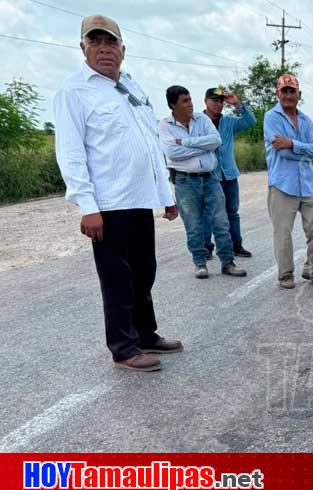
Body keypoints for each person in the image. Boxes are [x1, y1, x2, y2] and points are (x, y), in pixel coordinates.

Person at [53, 14, 182, 372]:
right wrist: (87, 205)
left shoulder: (131, 86)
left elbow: (150, 141)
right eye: (95, 42)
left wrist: (165, 193)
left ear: (123, 49)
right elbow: (71, 153)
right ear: (83, 48)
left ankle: (144, 333)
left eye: (110, 42)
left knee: (144, 272)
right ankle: (124, 348)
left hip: (140, 199)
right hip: (108, 204)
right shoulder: (73, 92)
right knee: (117, 279)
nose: (104, 49)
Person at [160, 86, 247, 280]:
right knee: (194, 224)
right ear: (173, 104)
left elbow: (215, 141)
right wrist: (202, 147)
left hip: (210, 178)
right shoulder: (165, 125)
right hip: (184, 181)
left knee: (221, 221)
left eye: (190, 99)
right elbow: (172, 153)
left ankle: (227, 262)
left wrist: (184, 142)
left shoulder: (202, 119)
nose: (190, 104)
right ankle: (200, 263)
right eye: (184, 101)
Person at [263, 74, 313, 290]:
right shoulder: (271, 117)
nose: (289, 95)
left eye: (292, 91)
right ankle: (285, 275)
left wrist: (290, 143)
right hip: (282, 184)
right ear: (278, 93)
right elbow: (281, 153)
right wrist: (300, 148)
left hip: (307, 184)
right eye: (285, 91)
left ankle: (312, 270)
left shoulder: (306, 120)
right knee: (283, 233)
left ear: (299, 94)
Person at [202, 87, 257, 259]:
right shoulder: (198, 121)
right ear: (206, 101)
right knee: (209, 213)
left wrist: (237, 104)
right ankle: (206, 248)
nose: (218, 104)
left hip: (229, 174)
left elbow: (250, 121)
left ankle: (236, 245)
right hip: (209, 175)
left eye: (220, 101)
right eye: (214, 100)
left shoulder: (229, 122)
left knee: (232, 212)